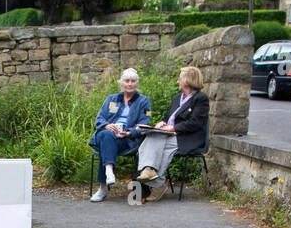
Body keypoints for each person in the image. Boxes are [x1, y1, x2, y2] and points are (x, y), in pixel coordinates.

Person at [134, 65, 209, 203]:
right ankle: (150, 172)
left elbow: (196, 123)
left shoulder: (200, 99)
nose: (177, 81)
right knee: (153, 135)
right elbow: (167, 116)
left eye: (179, 78)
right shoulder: (177, 98)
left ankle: (155, 180)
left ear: (188, 80)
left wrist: (172, 129)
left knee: (157, 141)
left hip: (187, 137)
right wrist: (161, 123)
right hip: (169, 135)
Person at [88, 68, 152, 202]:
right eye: (127, 81)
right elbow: (99, 119)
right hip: (106, 135)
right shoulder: (112, 99)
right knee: (106, 135)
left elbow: (144, 124)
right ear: (121, 83)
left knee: (106, 144)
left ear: (137, 83)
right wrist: (106, 125)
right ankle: (109, 172)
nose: (129, 84)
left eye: (133, 81)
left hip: (126, 140)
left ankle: (103, 187)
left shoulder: (143, 101)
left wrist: (129, 132)